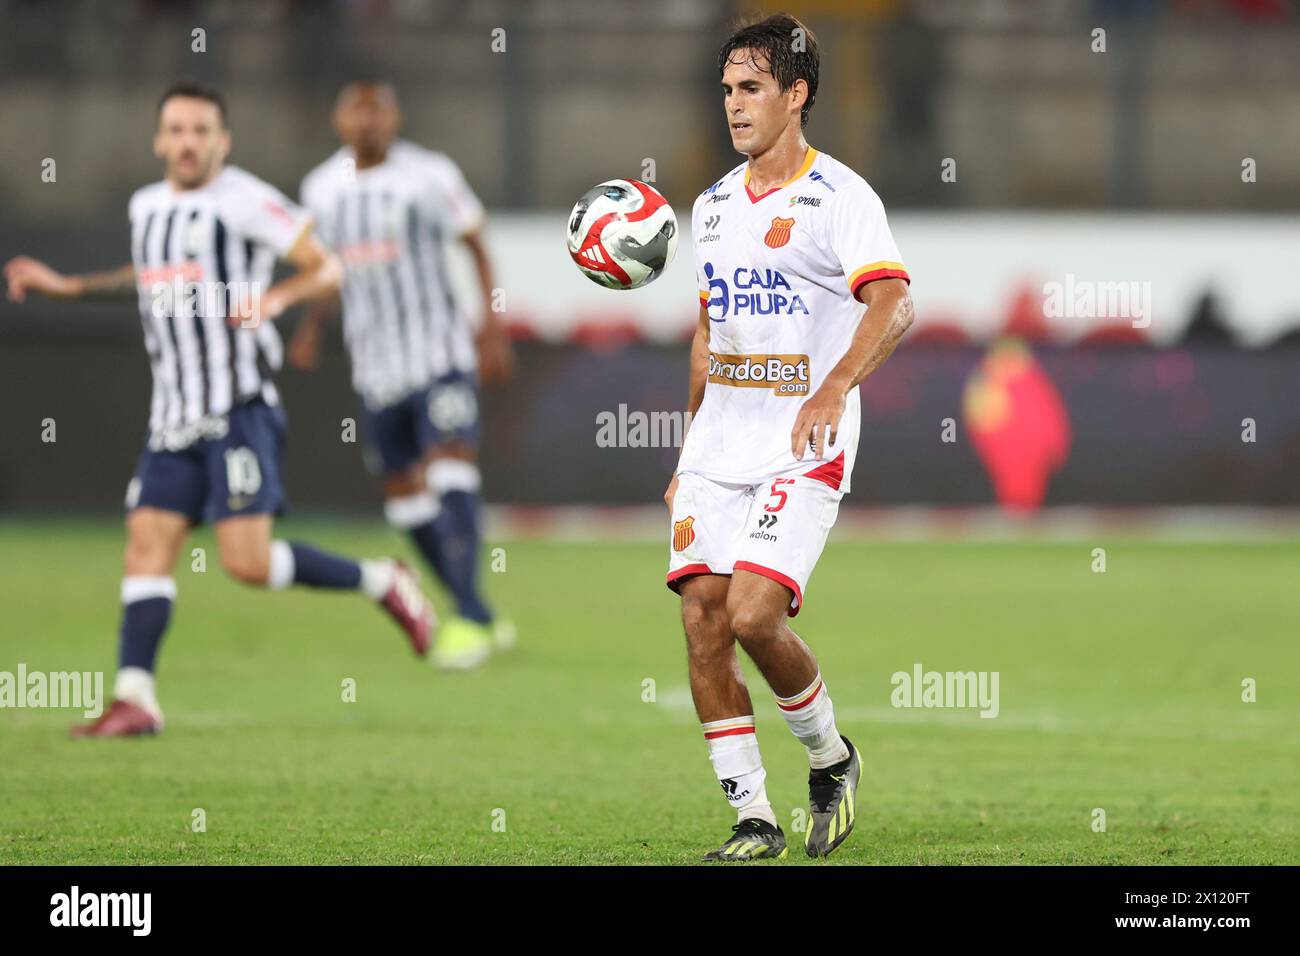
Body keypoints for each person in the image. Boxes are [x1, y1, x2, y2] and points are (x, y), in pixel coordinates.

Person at [3, 83, 435, 737]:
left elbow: (327, 269)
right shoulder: (146, 205)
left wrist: (278, 300)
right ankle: (136, 698)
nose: (187, 142)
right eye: (176, 130)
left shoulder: (245, 201)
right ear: (158, 141)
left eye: (201, 130)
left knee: (248, 565)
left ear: (222, 142)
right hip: (171, 418)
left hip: (236, 409)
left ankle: (382, 580)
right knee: (146, 548)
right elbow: (149, 274)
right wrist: (69, 286)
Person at [665, 15, 915, 860]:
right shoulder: (710, 208)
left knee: (752, 614)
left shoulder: (841, 199)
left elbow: (894, 304)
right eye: (727, 89)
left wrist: (836, 385)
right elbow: (711, 331)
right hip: (718, 443)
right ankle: (752, 818)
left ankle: (830, 757)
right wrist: (686, 449)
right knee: (703, 618)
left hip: (804, 443)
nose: (733, 106)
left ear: (795, 94)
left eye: (751, 89)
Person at [292, 81, 514, 670]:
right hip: (376, 365)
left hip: (439, 354)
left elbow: (476, 243)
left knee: (451, 473)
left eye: (379, 110)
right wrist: (313, 325)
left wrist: (490, 327)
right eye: (357, 111)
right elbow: (328, 270)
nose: (368, 122)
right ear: (339, 120)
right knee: (404, 503)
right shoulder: (320, 188)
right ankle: (478, 610)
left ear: (395, 117)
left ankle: (466, 619)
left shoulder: (429, 175)